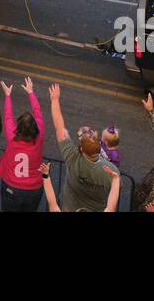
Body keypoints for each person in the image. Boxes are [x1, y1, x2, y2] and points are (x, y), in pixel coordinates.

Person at [49, 83, 118, 212]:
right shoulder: (112, 171)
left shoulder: (73, 158)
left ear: (80, 149)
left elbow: (60, 129)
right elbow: (114, 191)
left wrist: (54, 100)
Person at [0, 76, 44, 212]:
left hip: (11, 186)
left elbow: (8, 116)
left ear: (19, 127)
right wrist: (31, 92)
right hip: (33, 189)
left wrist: (8, 96)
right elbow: (38, 113)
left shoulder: (12, 136)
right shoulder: (39, 137)